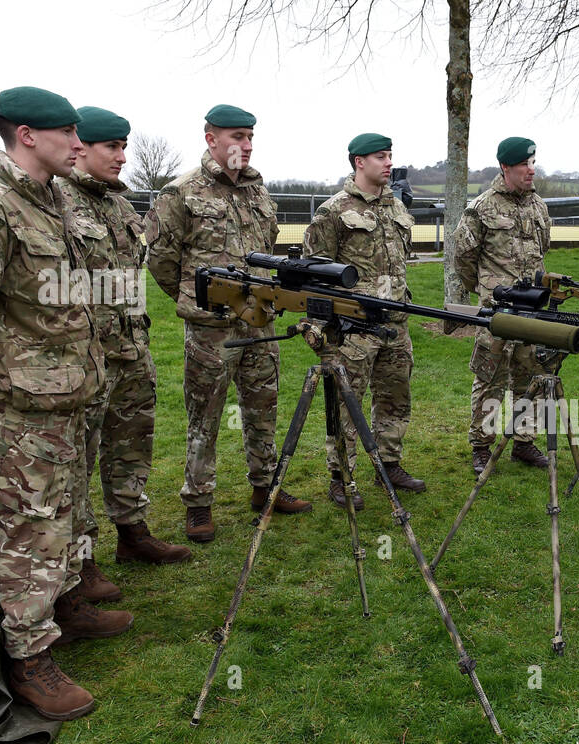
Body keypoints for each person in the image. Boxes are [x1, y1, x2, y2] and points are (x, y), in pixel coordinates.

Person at [0, 86, 133, 720]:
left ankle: (66, 605)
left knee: (66, 510)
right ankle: (28, 656)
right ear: (25, 136)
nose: (78, 143)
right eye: (67, 133)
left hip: (71, 391)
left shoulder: (52, 201)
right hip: (21, 403)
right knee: (28, 527)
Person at [146, 104, 310, 543]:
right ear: (211, 138)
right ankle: (198, 502)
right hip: (210, 329)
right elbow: (161, 260)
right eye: (237, 136)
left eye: (251, 136)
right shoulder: (180, 193)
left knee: (263, 407)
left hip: (258, 322)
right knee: (206, 415)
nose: (247, 145)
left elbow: (268, 245)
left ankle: (265, 486)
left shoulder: (259, 193)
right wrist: (196, 300)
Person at [55, 106, 191, 598]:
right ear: (81, 148)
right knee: (79, 462)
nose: (122, 156)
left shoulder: (119, 206)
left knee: (131, 446)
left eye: (123, 146)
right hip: (84, 357)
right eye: (111, 147)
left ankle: (133, 533)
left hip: (131, 350)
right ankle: (82, 560)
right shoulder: (57, 202)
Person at [304, 133, 422, 511]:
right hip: (352, 328)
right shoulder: (333, 211)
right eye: (380, 157)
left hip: (396, 322)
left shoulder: (396, 207)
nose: (388, 162)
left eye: (390, 156)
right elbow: (315, 273)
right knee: (345, 404)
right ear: (358, 162)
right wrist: (318, 324)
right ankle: (342, 477)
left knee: (394, 398)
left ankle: (389, 464)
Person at [453, 136, 553, 475]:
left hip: (533, 310)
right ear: (505, 167)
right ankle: (482, 445)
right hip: (495, 312)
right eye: (524, 164)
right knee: (490, 377)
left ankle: (525, 442)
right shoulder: (481, 207)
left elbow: (544, 248)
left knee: (532, 376)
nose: (531, 169)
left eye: (533, 162)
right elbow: (463, 257)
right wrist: (485, 290)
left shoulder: (539, 206)